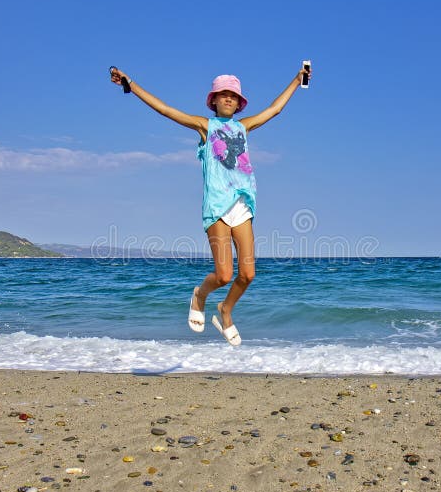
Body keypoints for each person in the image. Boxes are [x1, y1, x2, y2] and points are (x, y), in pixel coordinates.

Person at [110, 65, 311, 346]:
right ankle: (200, 296)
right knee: (224, 274)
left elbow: (275, 109)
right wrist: (131, 83)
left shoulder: (244, 127)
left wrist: (297, 79)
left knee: (248, 274)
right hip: (217, 207)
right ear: (214, 100)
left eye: (233, 96)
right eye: (223, 94)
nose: (228, 99)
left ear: (239, 103)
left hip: (242, 204)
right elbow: (166, 110)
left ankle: (225, 310)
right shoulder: (206, 126)